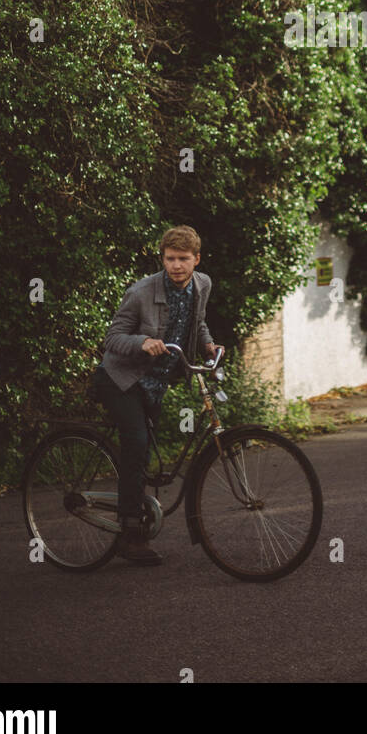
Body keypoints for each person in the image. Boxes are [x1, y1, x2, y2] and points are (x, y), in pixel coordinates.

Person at [90, 225, 220, 565]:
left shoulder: (202, 285)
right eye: (170, 259)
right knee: (136, 445)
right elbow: (113, 337)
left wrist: (207, 344)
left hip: (155, 382)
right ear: (162, 258)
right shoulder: (141, 292)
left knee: (145, 456)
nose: (176, 265)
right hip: (121, 378)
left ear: (197, 260)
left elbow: (197, 322)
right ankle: (130, 536)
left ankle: (137, 512)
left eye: (183, 259)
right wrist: (142, 342)